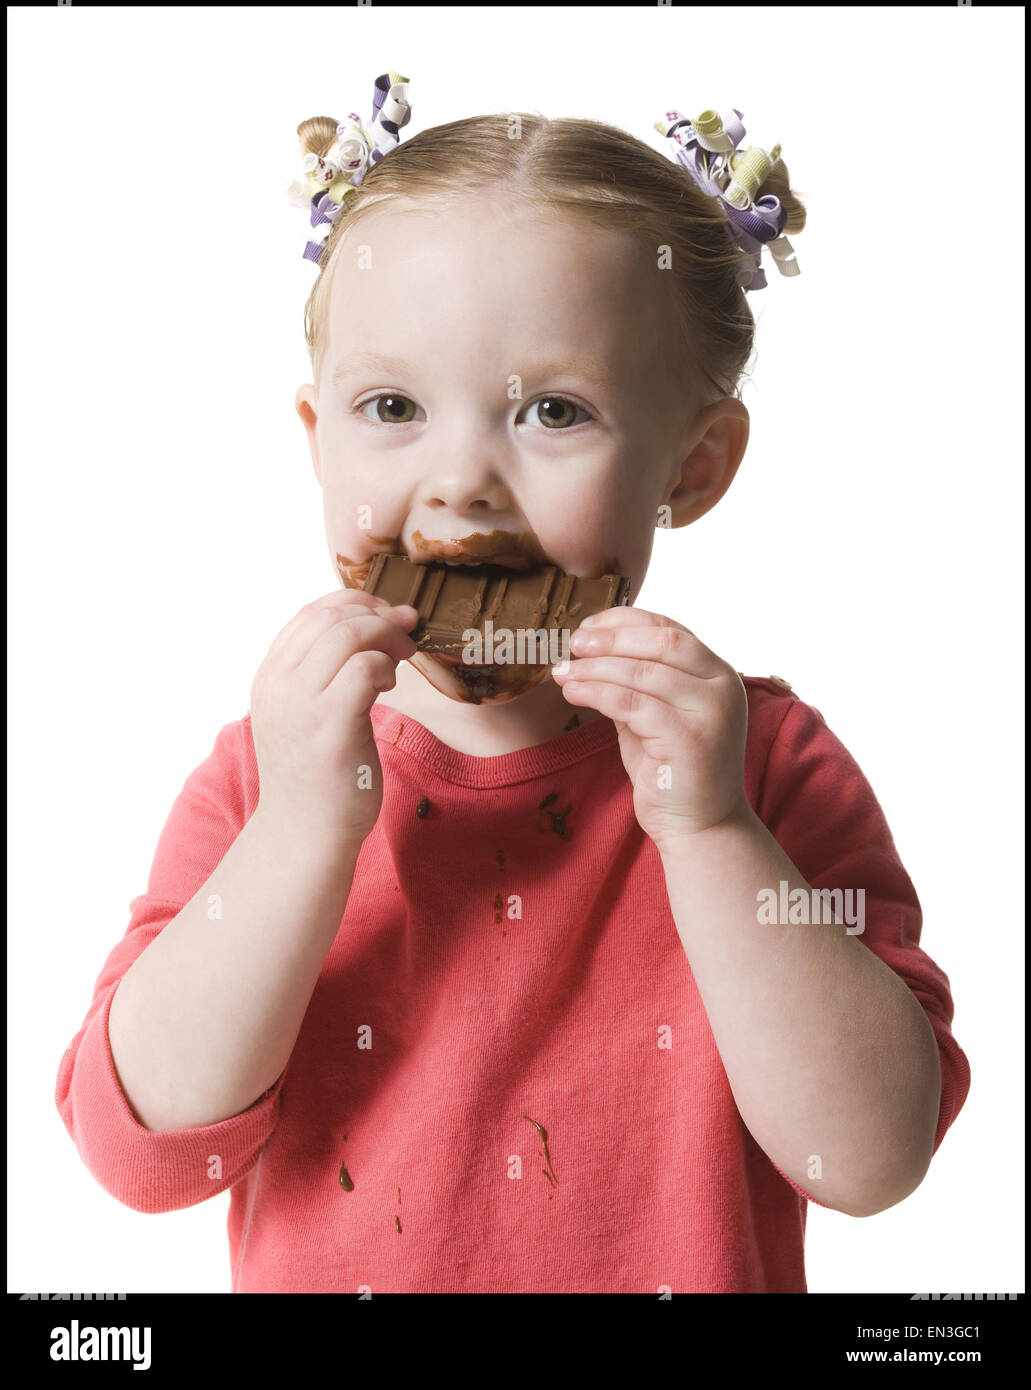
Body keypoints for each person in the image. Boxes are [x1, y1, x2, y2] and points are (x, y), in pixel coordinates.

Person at [56, 71, 970, 1293]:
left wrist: (709, 832)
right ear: (315, 435)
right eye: (392, 405)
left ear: (691, 468)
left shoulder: (762, 766)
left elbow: (867, 1156)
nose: (461, 481)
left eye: (551, 410)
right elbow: (142, 1151)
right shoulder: (267, 774)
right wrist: (296, 831)